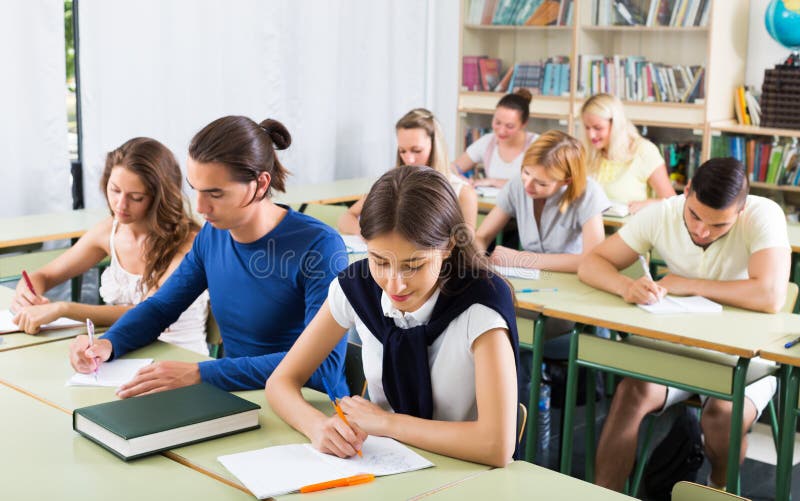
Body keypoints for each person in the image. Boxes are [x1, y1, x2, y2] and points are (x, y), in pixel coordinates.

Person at [68, 116, 350, 398]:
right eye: (195, 190)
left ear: (260, 184)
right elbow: (161, 308)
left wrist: (202, 373)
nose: (200, 207)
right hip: (243, 396)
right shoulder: (213, 236)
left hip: (312, 405)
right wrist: (109, 343)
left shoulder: (319, 246)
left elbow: (323, 366)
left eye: (215, 194)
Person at [267, 166, 521, 467]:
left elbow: (497, 445)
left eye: (413, 266)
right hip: (384, 465)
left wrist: (387, 423)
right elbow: (281, 382)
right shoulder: (356, 288)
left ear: (448, 246)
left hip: (467, 474)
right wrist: (316, 426)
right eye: (379, 261)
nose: (394, 284)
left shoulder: (481, 306)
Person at [577, 157, 791, 491]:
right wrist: (626, 286)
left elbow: (771, 295)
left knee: (722, 415)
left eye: (718, 226)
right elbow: (592, 263)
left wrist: (690, 283)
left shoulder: (764, 214)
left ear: (741, 209)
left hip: (746, 357)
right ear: (686, 190)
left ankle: (716, 489)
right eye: (694, 215)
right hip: (678, 348)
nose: (702, 230)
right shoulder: (663, 212)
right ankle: (606, 495)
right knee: (629, 395)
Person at [12, 137, 209, 354]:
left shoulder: (187, 242)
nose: (120, 205)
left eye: (136, 197)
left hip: (178, 355)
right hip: (123, 351)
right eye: (115, 190)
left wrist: (63, 308)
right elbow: (45, 276)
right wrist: (28, 294)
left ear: (158, 198)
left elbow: (149, 314)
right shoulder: (110, 231)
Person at [475, 130, 610, 272]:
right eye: (526, 172)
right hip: (530, 278)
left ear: (566, 181)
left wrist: (521, 259)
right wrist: (477, 259)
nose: (527, 186)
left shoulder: (589, 192)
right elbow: (482, 236)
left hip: (572, 282)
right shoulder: (517, 185)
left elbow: (593, 260)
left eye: (541, 183)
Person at [338, 108, 477, 233]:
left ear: (435, 147)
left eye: (416, 150)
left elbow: (465, 246)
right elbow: (346, 218)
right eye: (402, 151)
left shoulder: (463, 193)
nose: (409, 159)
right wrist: (368, 235)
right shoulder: (392, 182)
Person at [580, 93, 676, 214]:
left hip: (631, 230)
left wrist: (647, 204)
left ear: (615, 125)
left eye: (598, 128)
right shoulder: (588, 152)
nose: (591, 135)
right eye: (587, 128)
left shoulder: (644, 151)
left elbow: (673, 202)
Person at [453, 89, 538, 188]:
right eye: (497, 123)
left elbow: (539, 184)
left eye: (509, 126)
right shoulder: (487, 142)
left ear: (524, 123)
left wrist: (493, 181)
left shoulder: (538, 145)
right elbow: (452, 167)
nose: (501, 131)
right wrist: (461, 179)